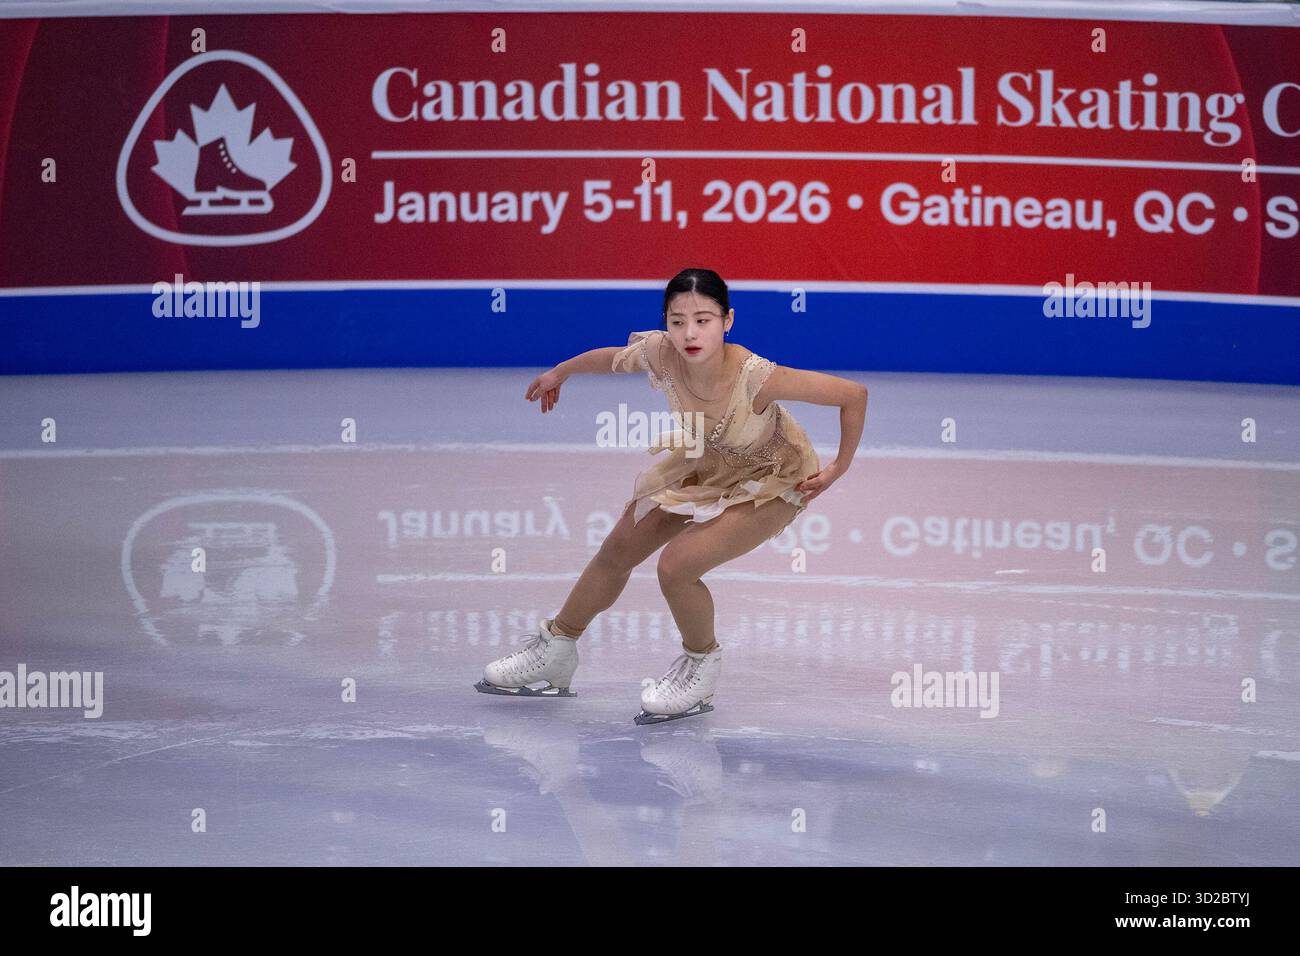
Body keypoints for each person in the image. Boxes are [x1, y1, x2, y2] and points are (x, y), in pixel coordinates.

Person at [475, 268, 869, 723]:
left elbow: (853, 395)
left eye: (704, 320)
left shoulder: (757, 377)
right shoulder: (663, 353)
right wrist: (559, 373)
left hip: (774, 480)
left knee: (677, 566)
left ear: (728, 321)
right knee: (619, 546)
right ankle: (557, 649)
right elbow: (612, 358)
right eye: (678, 320)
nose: (690, 332)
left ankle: (701, 665)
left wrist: (839, 468)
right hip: (709, 460)